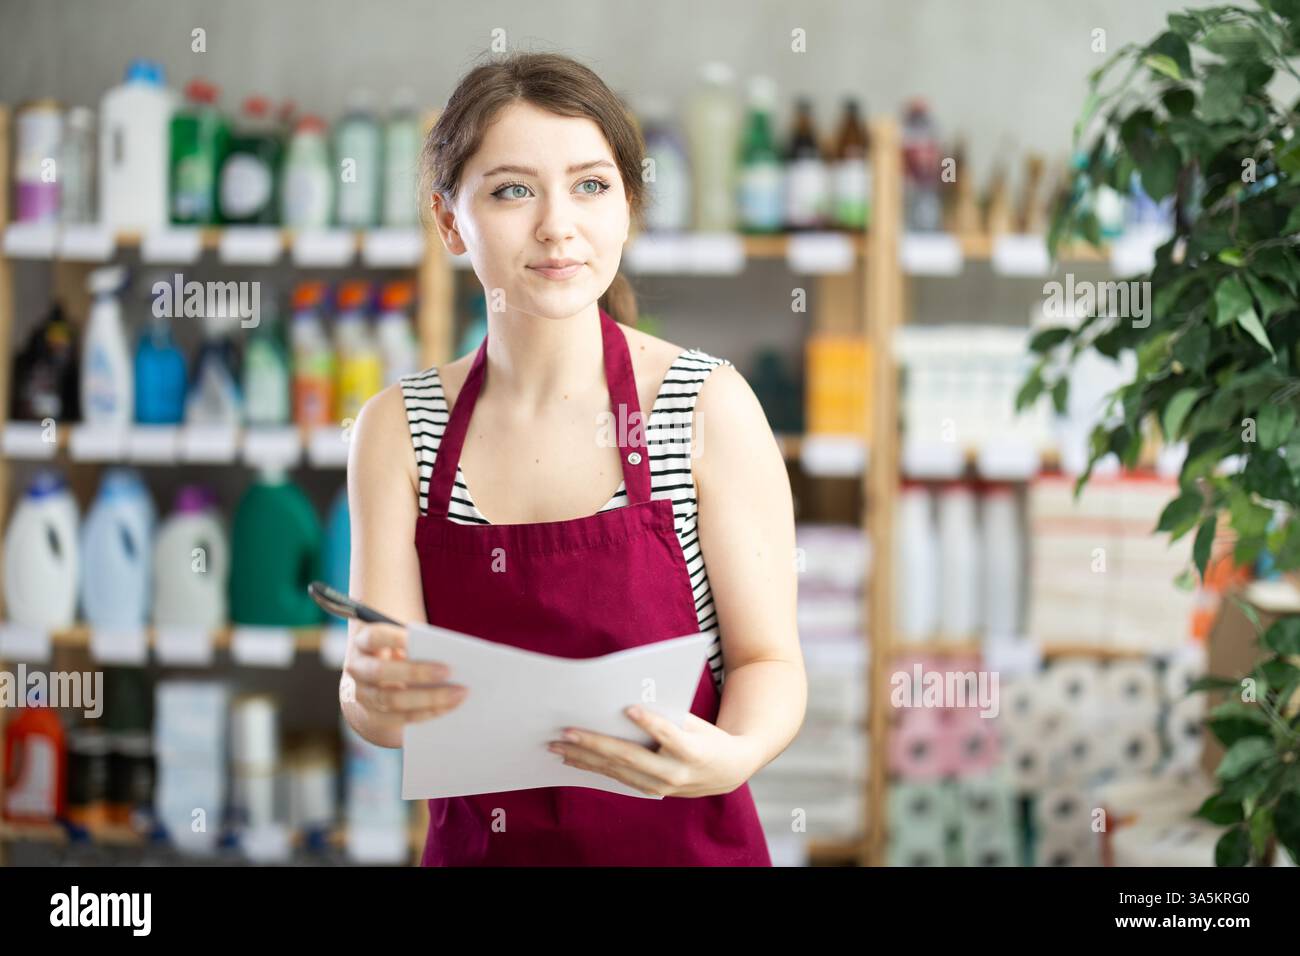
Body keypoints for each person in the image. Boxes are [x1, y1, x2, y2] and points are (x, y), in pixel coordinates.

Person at [342, 51, 805, 866]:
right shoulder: (397, 430)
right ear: (451, 221)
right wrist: (371, 696)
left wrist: (728, 757)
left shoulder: (705, 407)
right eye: (513, 190)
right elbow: (380, 696)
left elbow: (770, 662)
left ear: (628, 206)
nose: (558, 224)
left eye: (591, 185)